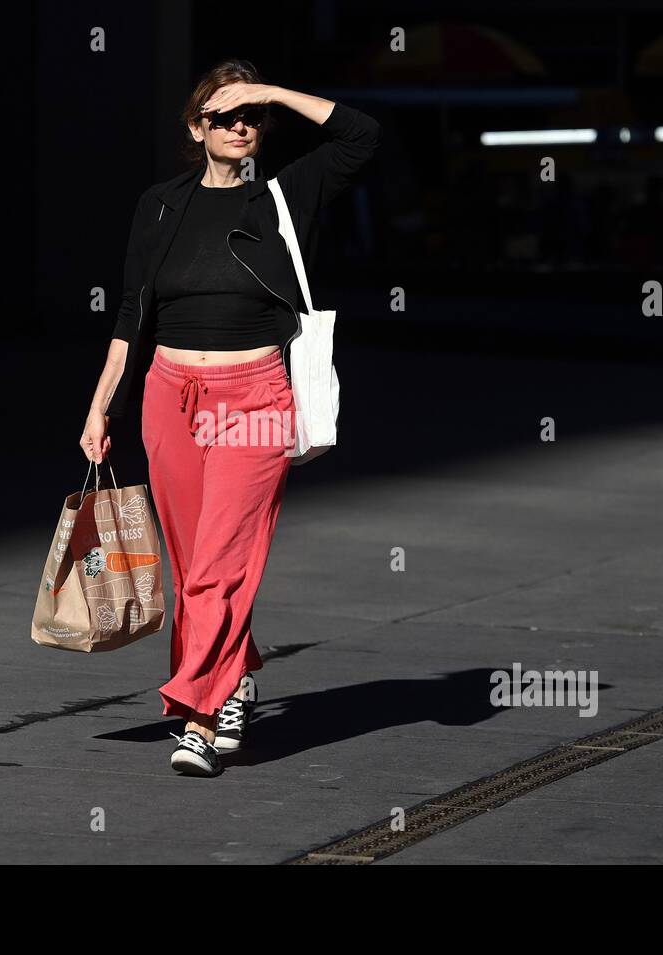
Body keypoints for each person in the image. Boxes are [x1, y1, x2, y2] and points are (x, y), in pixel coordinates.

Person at [80, 59, 379, 777]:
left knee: (222, 562)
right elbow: (132, 314)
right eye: (226, 114)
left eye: (252, 115)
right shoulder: (160, 205)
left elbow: (360, 135)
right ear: (196, 127)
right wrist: (99, 405)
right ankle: (234, 679)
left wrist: (273, 89)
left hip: (254, 399)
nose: (241, 125)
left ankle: (197, 712)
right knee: (193, 570)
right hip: (167, 395)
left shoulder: (285, 196)